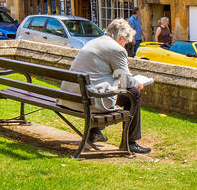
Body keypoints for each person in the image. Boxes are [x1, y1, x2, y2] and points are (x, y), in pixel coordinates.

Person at [63, 19, 150, 154]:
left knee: (111, 91)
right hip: (88, 101)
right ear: (121, 38)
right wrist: (138, 83)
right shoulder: (117, 49)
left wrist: (118, 82)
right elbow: (127, 80)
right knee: (133, 93)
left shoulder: (93, 42)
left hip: (69, 97)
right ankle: (130, 142)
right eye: (125, 42)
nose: (125, 45)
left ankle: (95, 132)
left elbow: (100, 74)